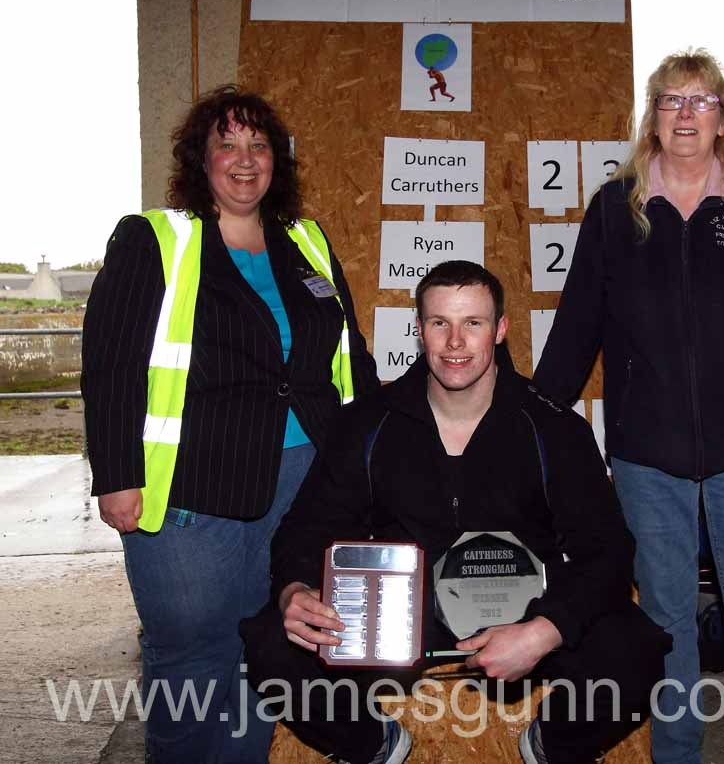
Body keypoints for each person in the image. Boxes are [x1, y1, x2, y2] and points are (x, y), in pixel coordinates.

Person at [240, 260, 671, 764]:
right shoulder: (366, 423)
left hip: (524, 608)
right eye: (440, 323)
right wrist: (295, 588)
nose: (455, 342)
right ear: (420, 330)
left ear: (501, 330)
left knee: (636, 650)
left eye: (473, 323)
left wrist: (544, 630)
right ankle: (374, 744)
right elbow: (305, 529)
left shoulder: (553, 427)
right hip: (404, 610)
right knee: (273, 641)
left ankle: (552, 745)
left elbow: (609, 552)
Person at [533, 49, 724, 764]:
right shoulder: (615, 208)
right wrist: (532, 420)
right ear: (653, 120)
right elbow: (577, 326)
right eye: (671, 100)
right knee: (664, 625)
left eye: (701, 100)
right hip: (646, 459)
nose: (686, 113)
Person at [81, 85, 379, 763]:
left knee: (265, 649)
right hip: (195, 488)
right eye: (227, 145)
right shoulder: (156, 239)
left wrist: (368, 462)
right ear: (201, 158)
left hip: (304, 482)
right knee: (191, 653)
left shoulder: (306, 241)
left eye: (258, 145)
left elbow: (349, 357)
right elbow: (112, 366)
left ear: (278, 160)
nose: (244, 159)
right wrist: (117, 477)